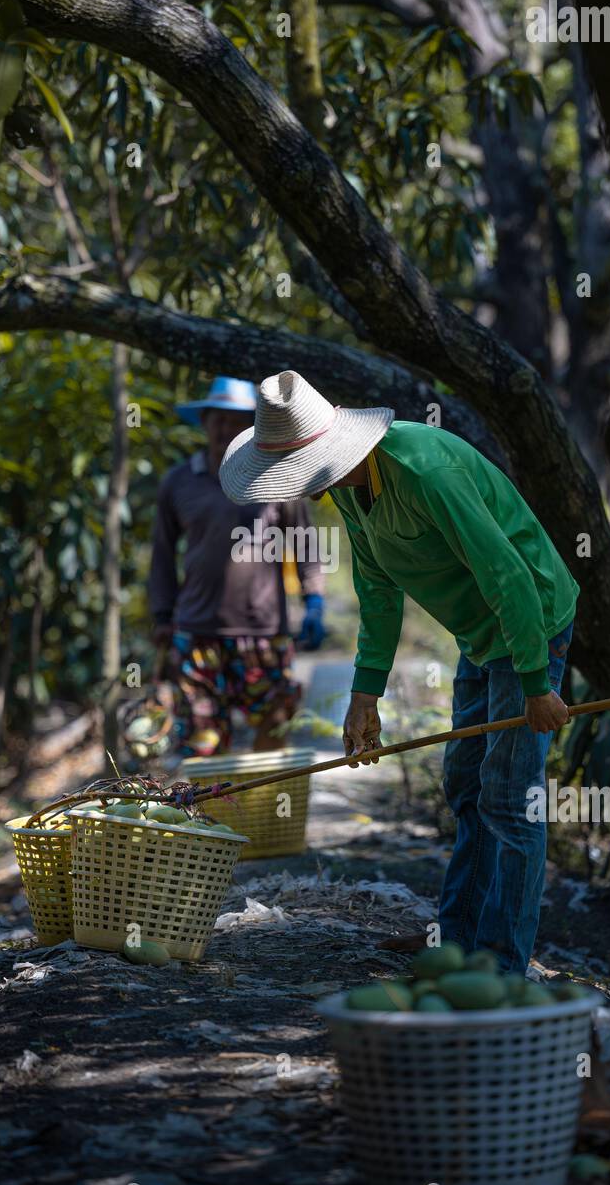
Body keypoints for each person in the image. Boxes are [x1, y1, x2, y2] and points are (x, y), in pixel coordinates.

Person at [219, 371, 580, 974]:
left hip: (530, 623)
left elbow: (509, 577)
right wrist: (365, 696)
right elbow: (377, 590)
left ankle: (502, 963)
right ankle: (458, 936)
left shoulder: (424, 472)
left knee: (511, 798)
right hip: (478, 634)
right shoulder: (350, 491)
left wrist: (537, 685)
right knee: (466, 785)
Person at [149, 376, 327, 757]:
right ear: (205, 422)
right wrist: (162, 616)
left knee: (273, 733)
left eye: (238, 421)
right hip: (198, 635)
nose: (227, 429)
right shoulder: (179, 482)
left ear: (252, 427)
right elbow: (162, 554)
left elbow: (305, 542)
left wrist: (314, 600)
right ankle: (210, 814)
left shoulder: (276, 476)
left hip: (263, 634)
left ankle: (264, 814)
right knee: (202, 747)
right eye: (219, 420)